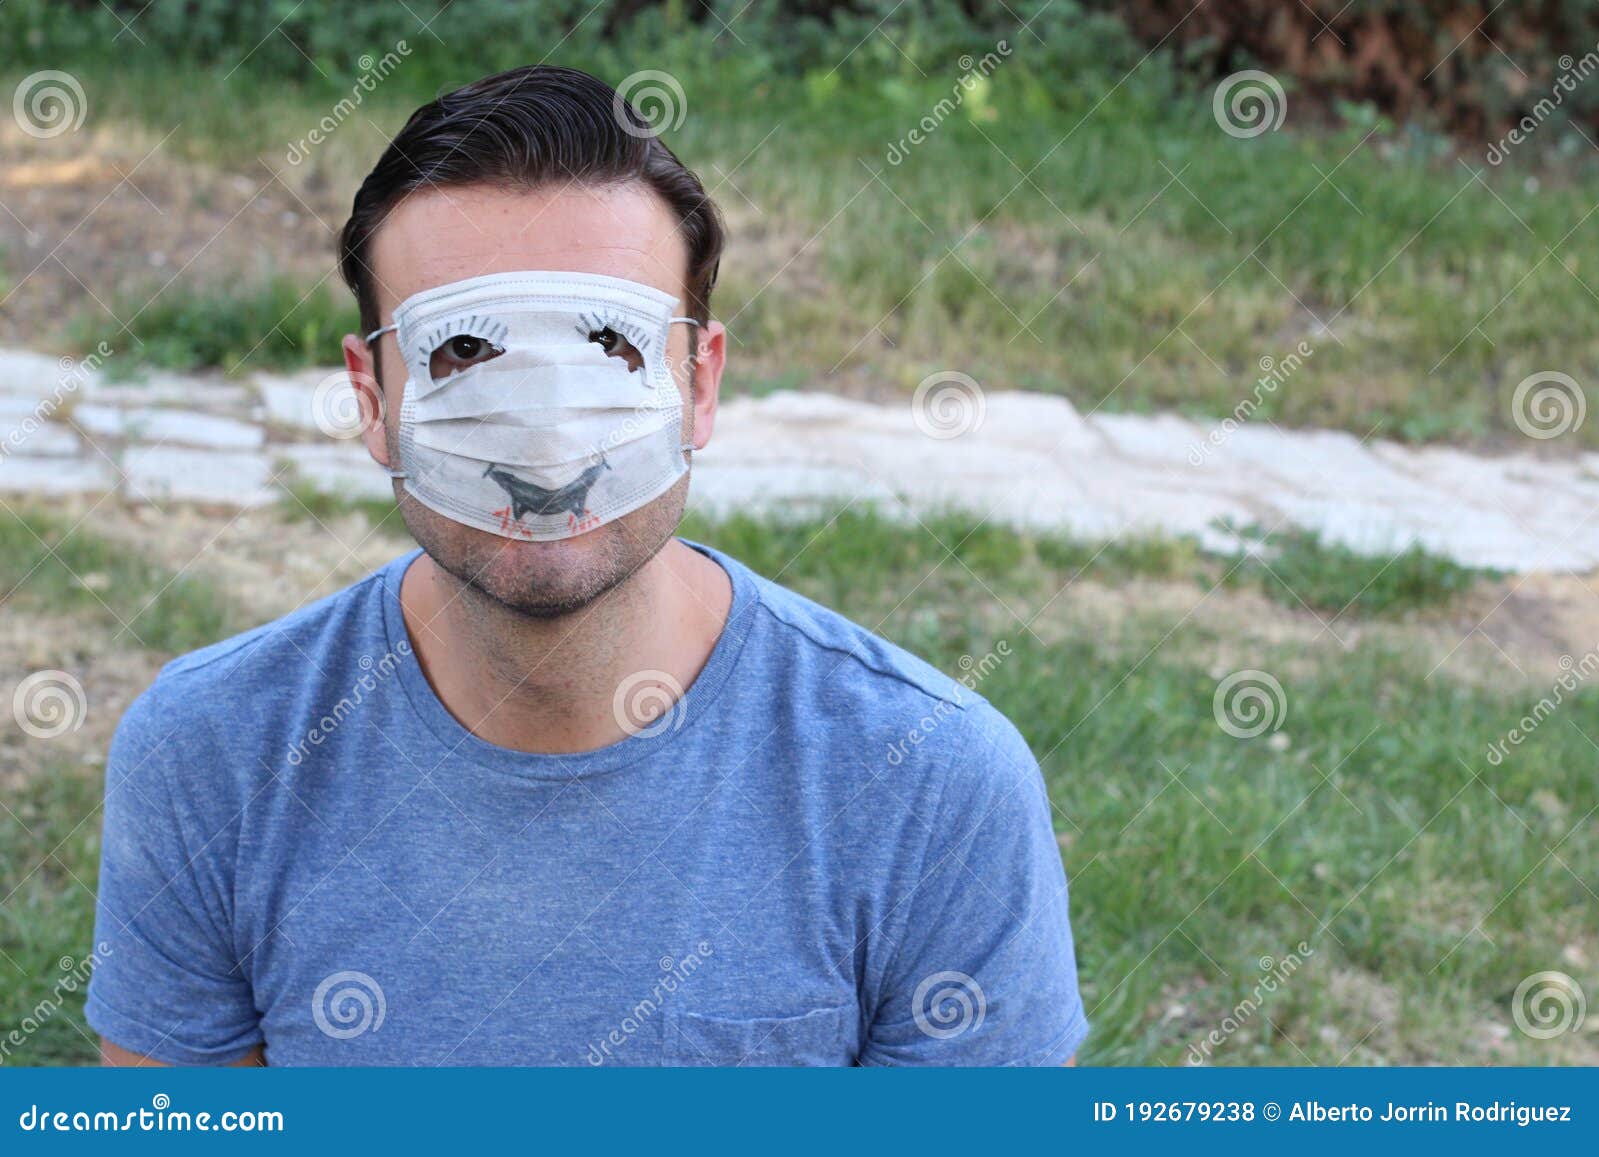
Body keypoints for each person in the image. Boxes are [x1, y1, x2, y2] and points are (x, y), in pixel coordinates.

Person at [87, 64, 1087, 1067]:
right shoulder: (210, 755)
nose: (544, 430)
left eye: (609, 344)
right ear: (371, 396)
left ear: (699, 383)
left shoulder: (933, 786)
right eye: (463, 350)